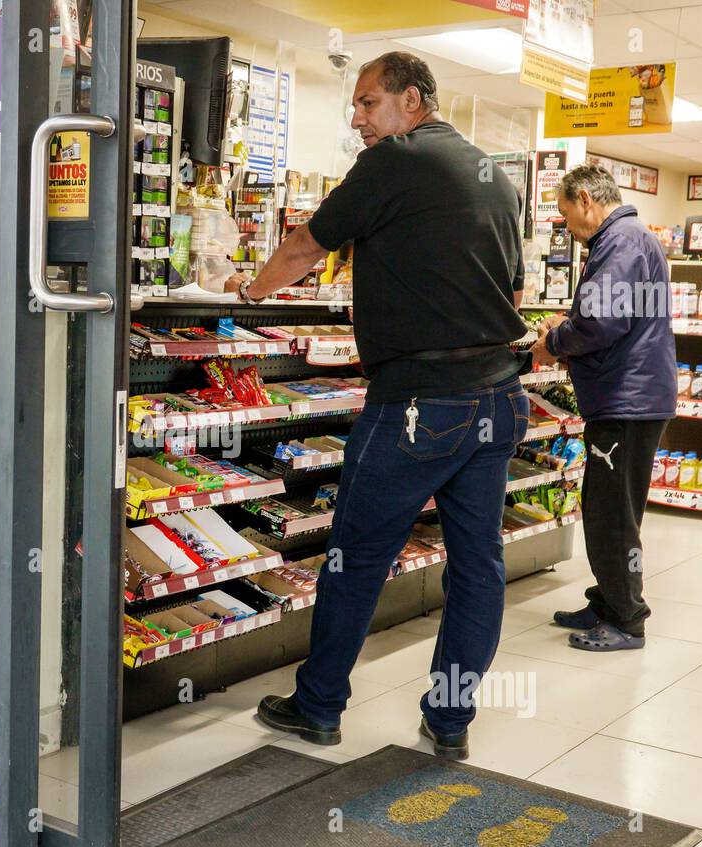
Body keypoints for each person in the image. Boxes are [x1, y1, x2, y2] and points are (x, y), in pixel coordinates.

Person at [223, 52, 529, 759]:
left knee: (356, 558)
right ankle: (450, 721)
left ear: (412, 102)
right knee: (477, 566)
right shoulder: (494, 177)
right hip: (498, 400)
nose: (357, 119)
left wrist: (249, 292)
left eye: (367, 103)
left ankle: (319, 705)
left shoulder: (394, 160)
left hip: (420, 406)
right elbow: (510, 294)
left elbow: (304, 246)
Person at [531, 164, 676, 652]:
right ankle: (608, 600)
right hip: (628, 396)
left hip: (626, 400)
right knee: (603, 506)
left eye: (567, 214)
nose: (568, 228)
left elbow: (600, 325)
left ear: (588, 198)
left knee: (613, 514)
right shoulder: (631, 239)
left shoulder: (622, 241)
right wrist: (569, 321)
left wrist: (556, 339)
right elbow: (609, 314)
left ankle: (626, 619)